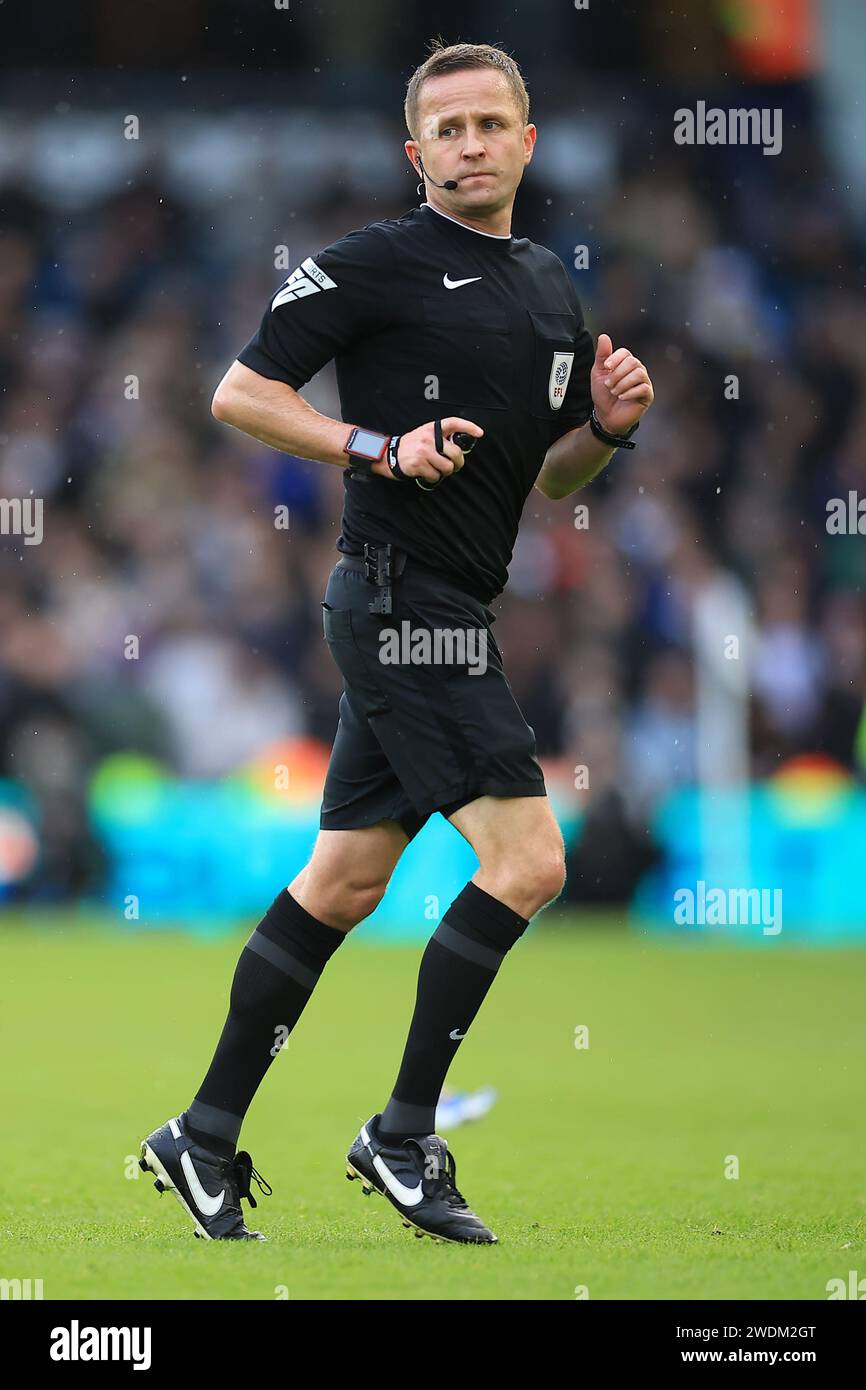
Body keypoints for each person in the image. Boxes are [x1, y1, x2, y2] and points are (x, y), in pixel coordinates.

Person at [139, 39, 654, 1245]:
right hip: (396, 601)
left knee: (345, 881)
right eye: (448, 128)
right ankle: (404, 1133)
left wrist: (608, 430)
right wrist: (375, 446)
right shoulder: (370, 262)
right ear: (413, 152)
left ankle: (201, 1137)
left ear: (526, 142)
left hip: (448, 604)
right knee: (528, 862)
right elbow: (239, 393)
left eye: (491, 124)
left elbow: (546, 482)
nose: (470, 144)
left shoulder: (545, 288)